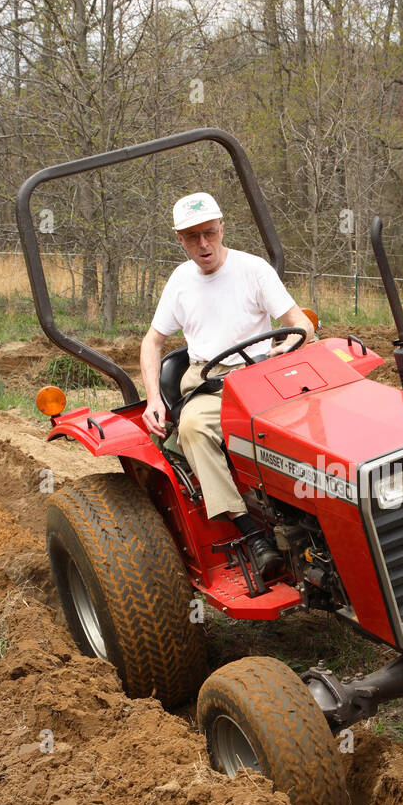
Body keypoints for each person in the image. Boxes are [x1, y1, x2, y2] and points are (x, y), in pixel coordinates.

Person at [140, 191, 314, 581]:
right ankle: (251, 533)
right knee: (191, 428)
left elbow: (301, 323)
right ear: (180, 240)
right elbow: (152, 341)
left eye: (209, 233)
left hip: (259, 374)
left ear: (222, 228)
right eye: (192, 237)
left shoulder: (254, 270)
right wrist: (153, 397)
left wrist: (286, 346)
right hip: (208, 381)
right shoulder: (180, 281)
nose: (203, 244)